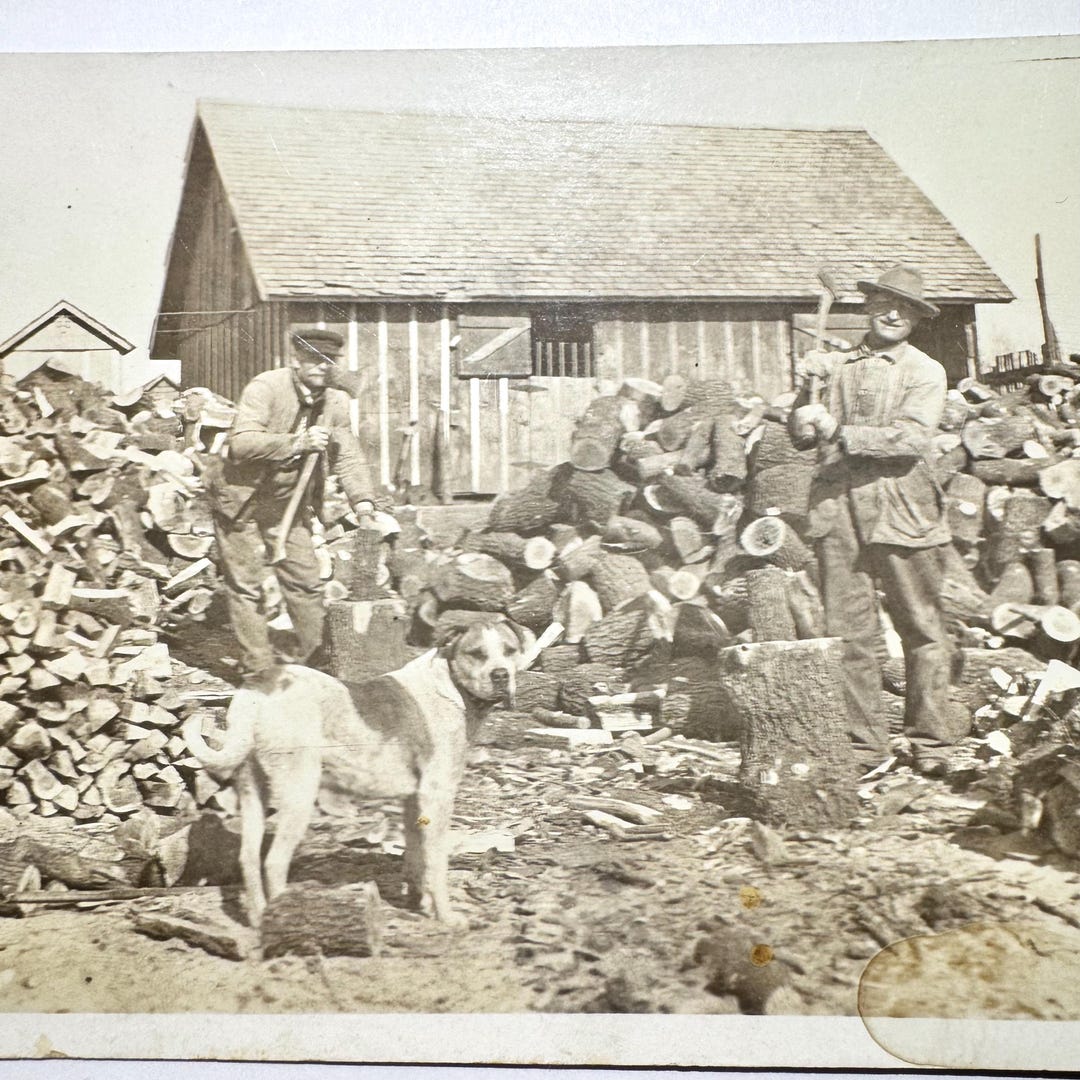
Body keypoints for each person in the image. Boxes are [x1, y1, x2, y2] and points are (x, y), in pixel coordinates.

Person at [792, 264, 969, 774]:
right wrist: (802, 408)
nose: (893, 313)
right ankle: (864, 746)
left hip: (901, 507)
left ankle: (932, 743)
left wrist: (839, 430)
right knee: (848, 632)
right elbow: (806, 435)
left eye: (905, 307)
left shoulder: (925, 371)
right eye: (884, 303)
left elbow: (912, 439)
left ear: (916, 317)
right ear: (868, 307)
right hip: (838, 510)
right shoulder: (834, 366)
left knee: (923, 627)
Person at [208, 328, 380, 681]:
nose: (322, 367)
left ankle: (318, 665)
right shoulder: (265, 387)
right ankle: (258, 672)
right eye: (314, 359)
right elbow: (241, 444)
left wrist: (363, 502)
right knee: (247, 586)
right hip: (240, 498)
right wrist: (297, 442)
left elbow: (347, 455)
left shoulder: (335, 401)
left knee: (306, 580)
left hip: (286, 502)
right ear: (296, 361)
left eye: (330, 361)